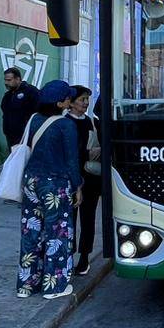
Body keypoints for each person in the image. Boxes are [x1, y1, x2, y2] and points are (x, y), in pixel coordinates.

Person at [18, 79, 81, 299]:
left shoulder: (34, 119)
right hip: (55, 183)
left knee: (31, 230)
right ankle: (54, 286)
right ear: (61, 103)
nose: (70, 101)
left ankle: (27, 284)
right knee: (57, 233)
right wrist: (77, 186)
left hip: (31, 181)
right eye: (68, 99)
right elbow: (72, 160)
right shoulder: (66, 125)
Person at [66, 85, 101, 276]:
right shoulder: (64, 123)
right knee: (69, 219)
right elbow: (67, 152)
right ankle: (68, 255)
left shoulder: (92, 122)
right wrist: (88, 153)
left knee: (88, 219)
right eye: (82, 100)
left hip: (91, 179)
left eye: (87, 99)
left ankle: (84, 258)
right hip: (71, 178)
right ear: (70, 103)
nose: (86, 103)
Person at [0, 67, 40, 147]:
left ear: (17, 79)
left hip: (26, 136)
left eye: (9, 80)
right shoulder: (8, 96)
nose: (6, 83)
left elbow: (38, 111)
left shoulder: (30, 91)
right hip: (11, 136)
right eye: (5, 80)